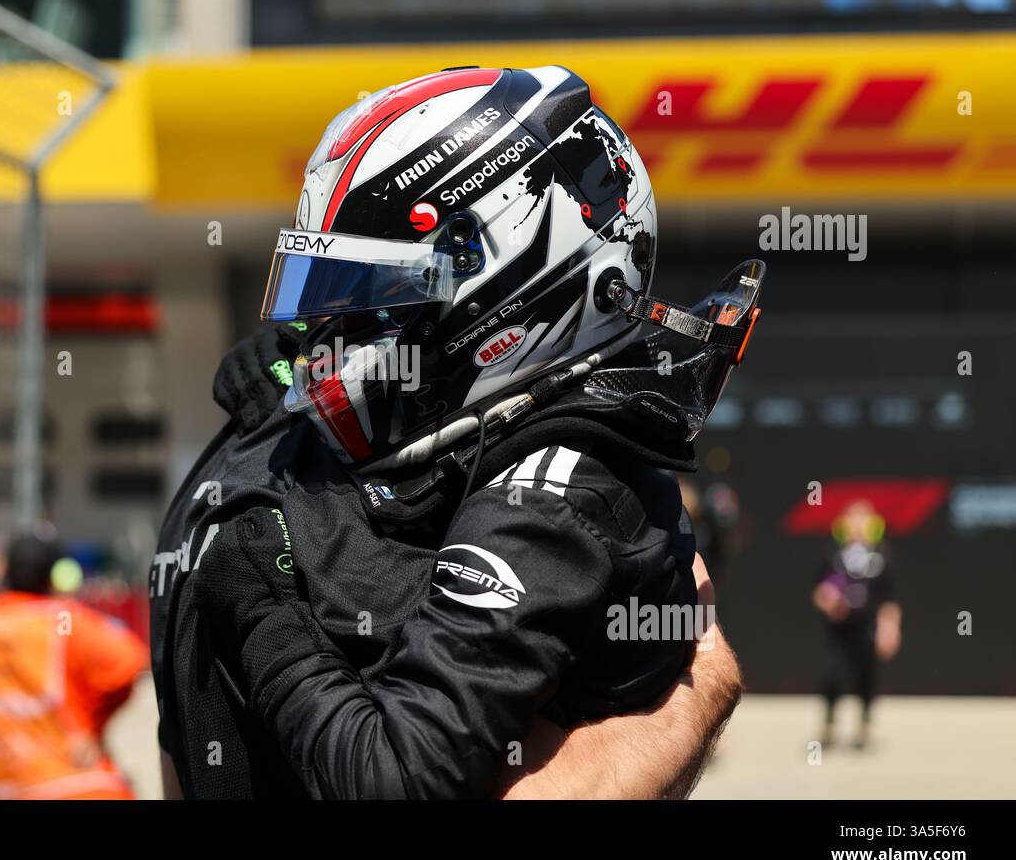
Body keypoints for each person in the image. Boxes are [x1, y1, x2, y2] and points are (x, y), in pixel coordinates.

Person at [154, 65, 758, 798]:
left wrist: (266, 617)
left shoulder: (551, 499)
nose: (331, 337)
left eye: (375, 296)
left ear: (509, 281)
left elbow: (398, 783)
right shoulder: (395, 446)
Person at [0, 531, 148, 798]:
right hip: (84, 782)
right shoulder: (64, 620)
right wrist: (93, 724)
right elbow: (130, 658)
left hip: (18, 788)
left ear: (4, 569)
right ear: (50, 575)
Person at [812, 499, 901, 749]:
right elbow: (819, 591)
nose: (858, 524)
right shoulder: (833, 554)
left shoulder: (882, 554)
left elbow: (889, 598)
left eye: (864, 518)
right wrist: (828, 600)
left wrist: (889, 628)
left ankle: (863, 727)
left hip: (867, 627)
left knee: (866, 677)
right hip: (839, 629)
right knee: (831, 675)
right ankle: (829, 725)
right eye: (853, 518)